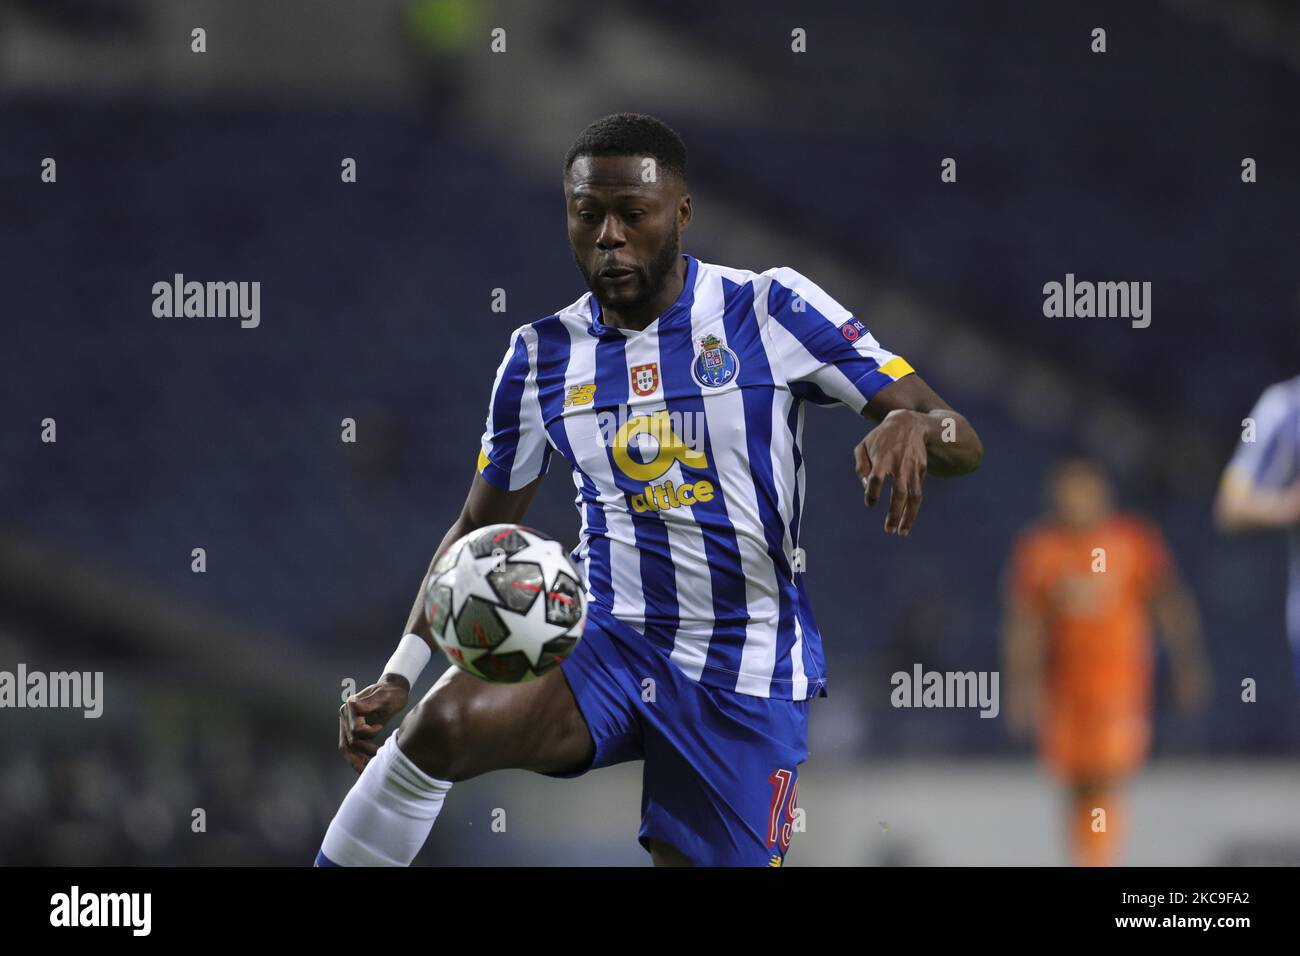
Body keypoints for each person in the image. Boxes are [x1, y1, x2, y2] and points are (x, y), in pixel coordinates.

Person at [317, 112, 982, 867]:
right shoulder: (539, 359)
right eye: (587, 214)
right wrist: (401, 673)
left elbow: (963, 436)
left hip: (744, 670)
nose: (609, 235)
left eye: (632, 214)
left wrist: (918, 430)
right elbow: (477, 524)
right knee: (441, 726)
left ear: (682, 214)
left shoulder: (767, 310)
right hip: (608, 642)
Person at [1003, 458, 1210, 866]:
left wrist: (1188, 663)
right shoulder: (1040, 549)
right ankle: (1085, 856)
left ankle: (1101, 859)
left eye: (1082, 492)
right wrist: (1019, 687)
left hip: (1118, 685)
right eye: (1066, 494)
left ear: (1101, 495)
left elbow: (1169, 603)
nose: (1074, 502)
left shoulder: (1132, 541)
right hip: (1063, 687)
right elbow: (1025, 624)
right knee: (1075, 781)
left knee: (1104, 777)